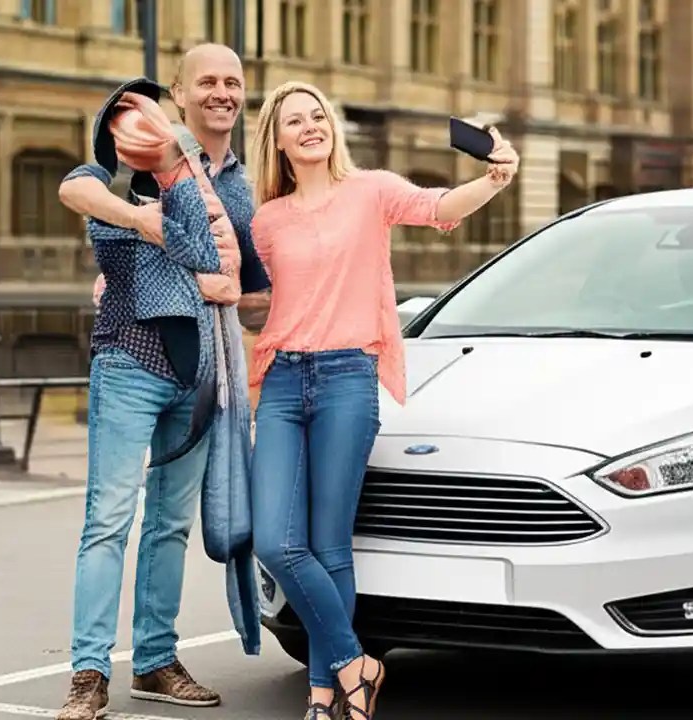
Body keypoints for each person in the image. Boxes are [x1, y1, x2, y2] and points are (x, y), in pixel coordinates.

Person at [247, 80, 518, 720]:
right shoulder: (267, 221)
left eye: (318, 115)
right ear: (277, 140)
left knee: (330, 545)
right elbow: (258, 295)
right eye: (295, 120)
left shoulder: (371, 191)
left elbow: (439, 206)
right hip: (281, 381)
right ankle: (356, 664)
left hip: (347, 378)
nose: (311, 126)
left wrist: (495, 177)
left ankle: (325, 695)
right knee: (276, 543)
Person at [54, 44, 270, 720]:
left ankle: (154, 660)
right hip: (130, 360)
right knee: (108, 521)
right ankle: (89, 674)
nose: (221, 92)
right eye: (206, 81)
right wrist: (145, 221)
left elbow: (255, 293)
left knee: (170, 524)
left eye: (232, 81)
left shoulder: (242, 187)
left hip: (203, 374)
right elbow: (75, 189)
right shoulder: (136, 149)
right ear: (179, 93)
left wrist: (237, 293)